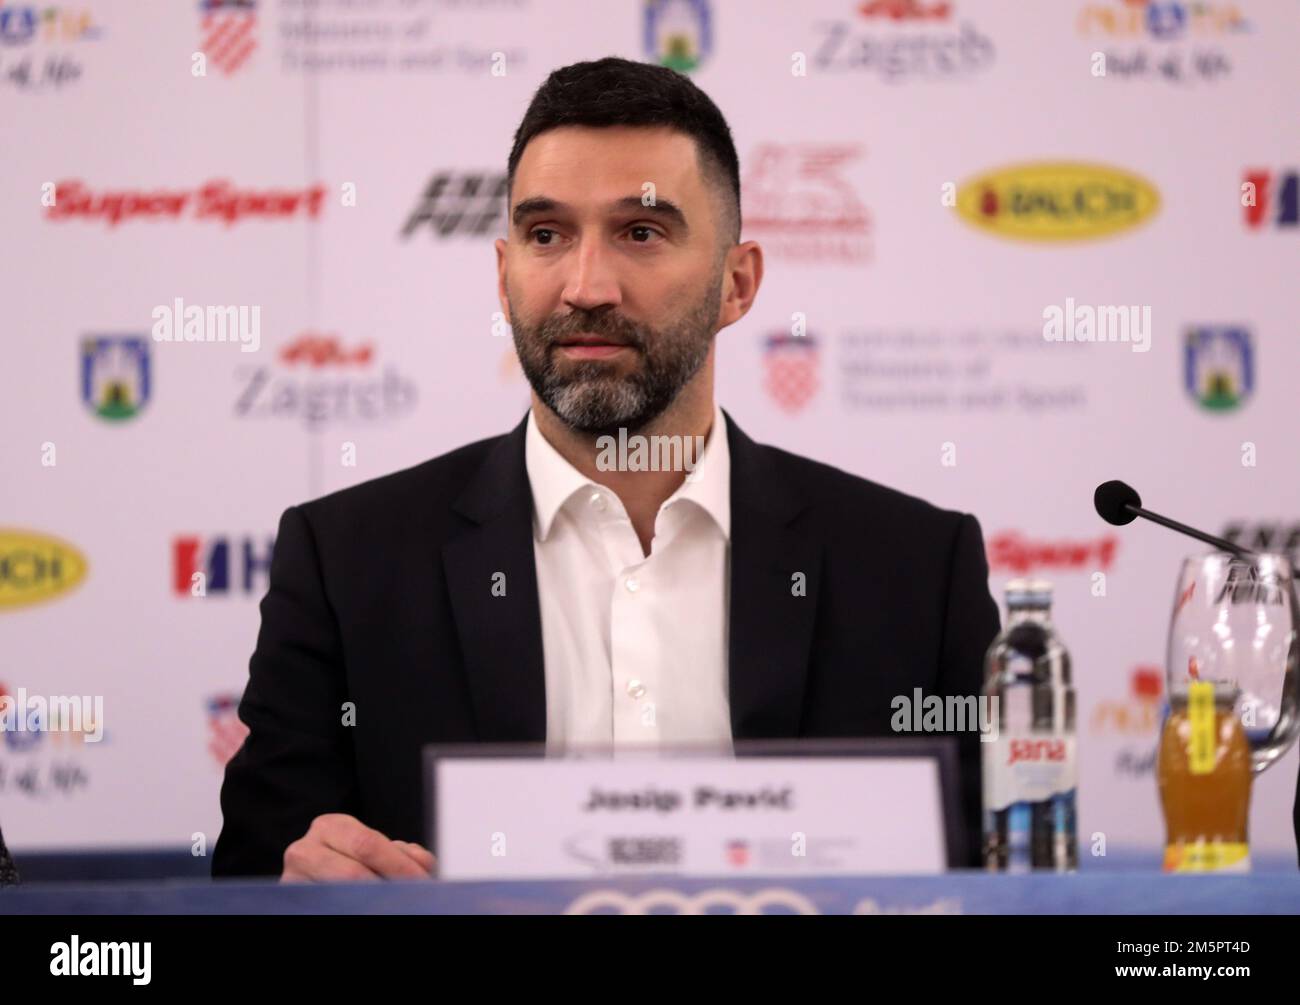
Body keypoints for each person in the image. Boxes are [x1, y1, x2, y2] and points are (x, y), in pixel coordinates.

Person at [213, 56, 1000, 881]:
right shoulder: (347, 562)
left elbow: (1011, 884)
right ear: (504, 272)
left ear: (738, 284)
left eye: (641, 232)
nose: (586, 286)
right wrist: (296, 887)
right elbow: (247, 878)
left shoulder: (916, 570)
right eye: (546, 235)